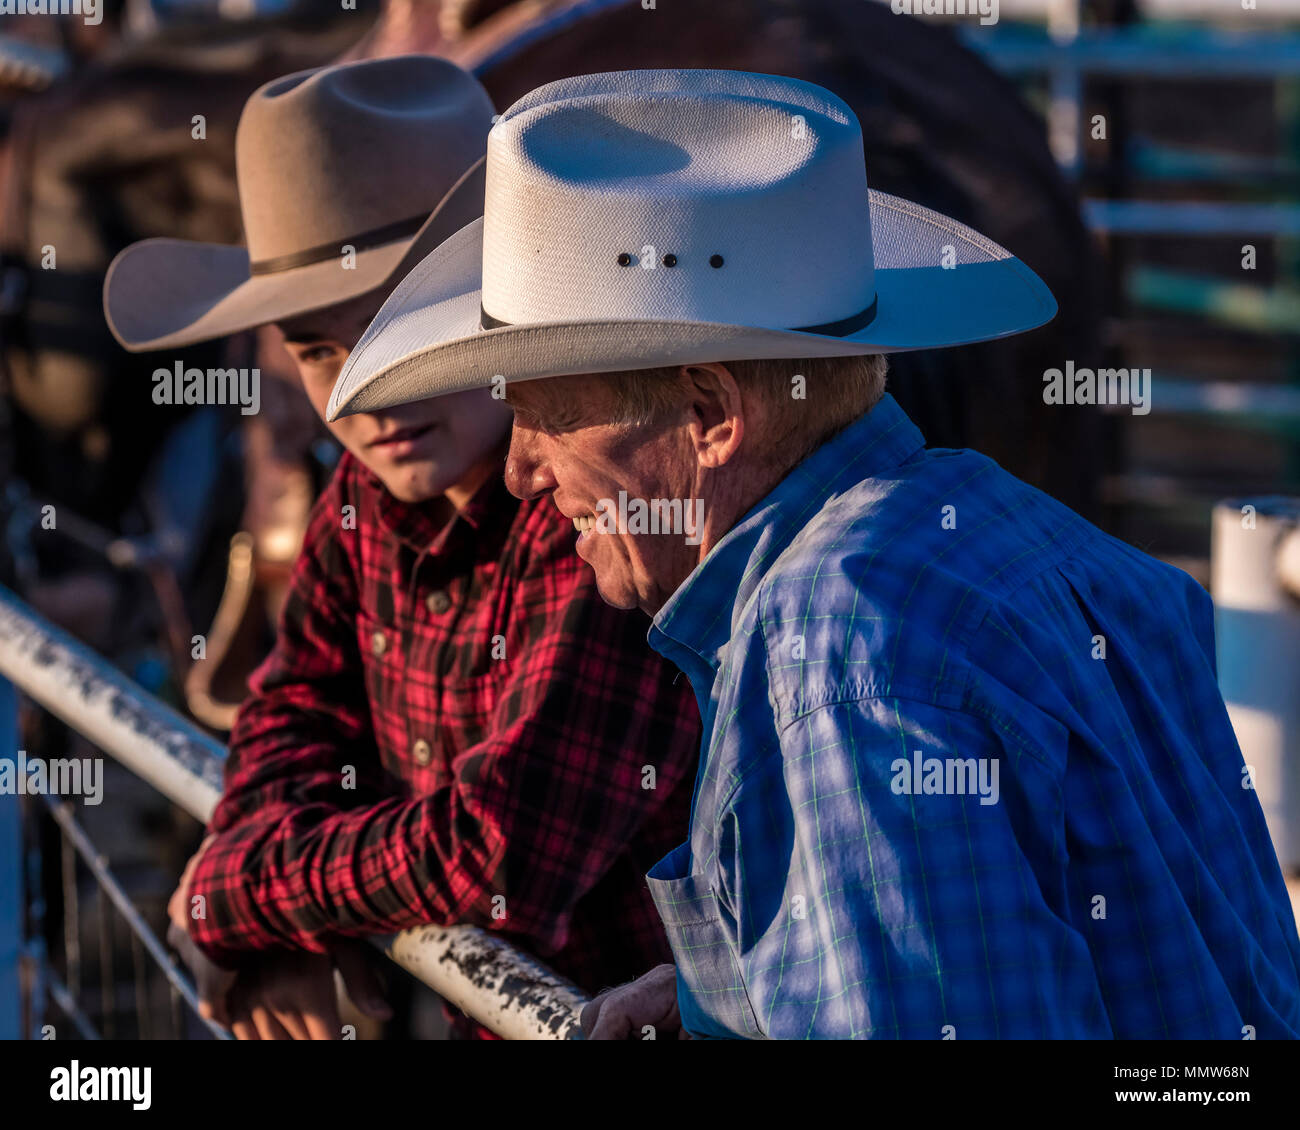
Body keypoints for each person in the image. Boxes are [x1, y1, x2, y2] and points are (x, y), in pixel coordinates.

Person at [328, 69, 1300, 1039]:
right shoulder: (1034, 542)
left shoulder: (831, 666)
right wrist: (728, 995)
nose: (519, 473)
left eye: (547, 415)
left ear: (709, 414)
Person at [104, 56, 701, 1040]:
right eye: (317, 348)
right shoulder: (365, 493)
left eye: (403, 328)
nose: (365, 392)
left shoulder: (597, 506)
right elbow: (294, 706)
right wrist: (293, 923)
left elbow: (499, 854)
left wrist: (233, 892)